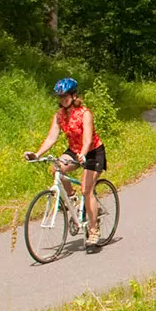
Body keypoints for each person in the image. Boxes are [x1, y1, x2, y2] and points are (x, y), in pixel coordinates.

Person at [24, 77, 107, 252]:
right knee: (57, 167)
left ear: (74, 95)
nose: (62, 100)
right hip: (74, 150)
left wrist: (83, 154)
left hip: (92, 152)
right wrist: (37, 154)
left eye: (66, 97)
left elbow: (88, 139)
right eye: (60, 97)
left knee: (87, 189)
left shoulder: (85, 113)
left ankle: (93, 231)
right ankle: (73, 199)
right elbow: (52, 137)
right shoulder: (59, 115)